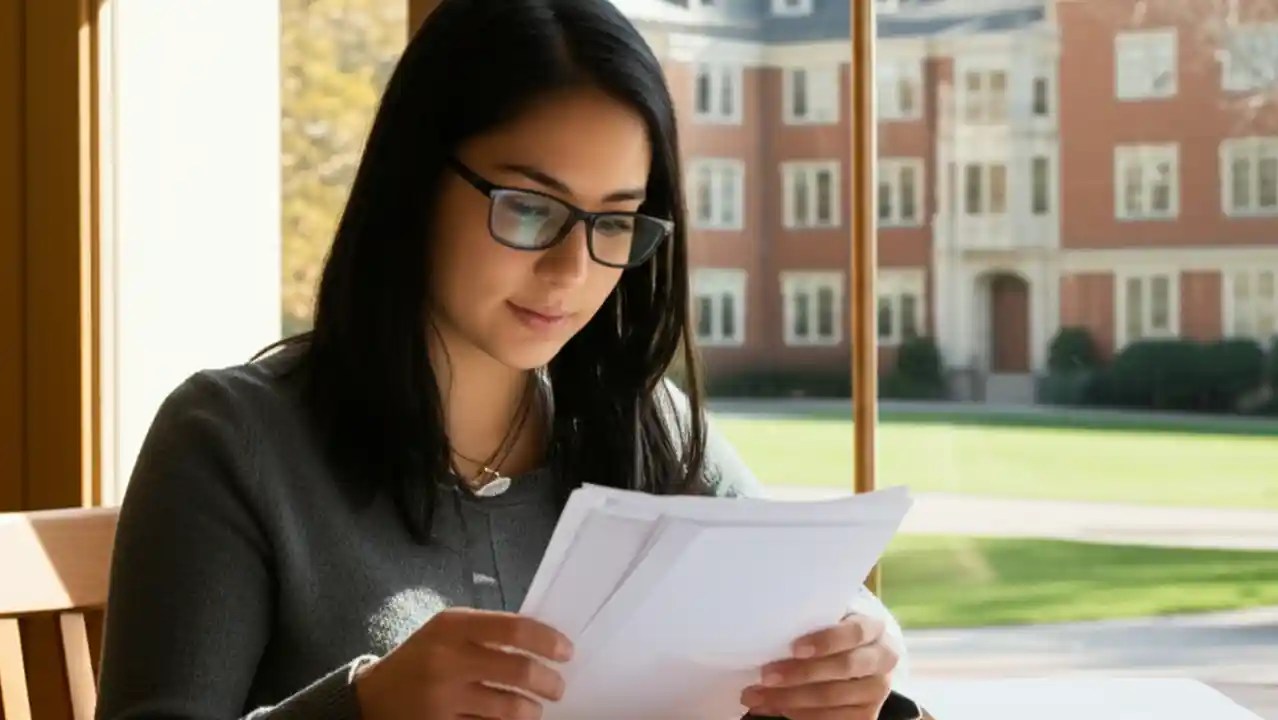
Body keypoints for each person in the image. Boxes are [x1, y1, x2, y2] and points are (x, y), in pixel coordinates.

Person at [95, 1, 916, 719]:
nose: (572, 272)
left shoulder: (646, 425)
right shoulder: (231, 442)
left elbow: (800, 616)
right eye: (528, 208)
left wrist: (853, 669)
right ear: (415, 180)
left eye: (615, 222)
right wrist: (364, 708)